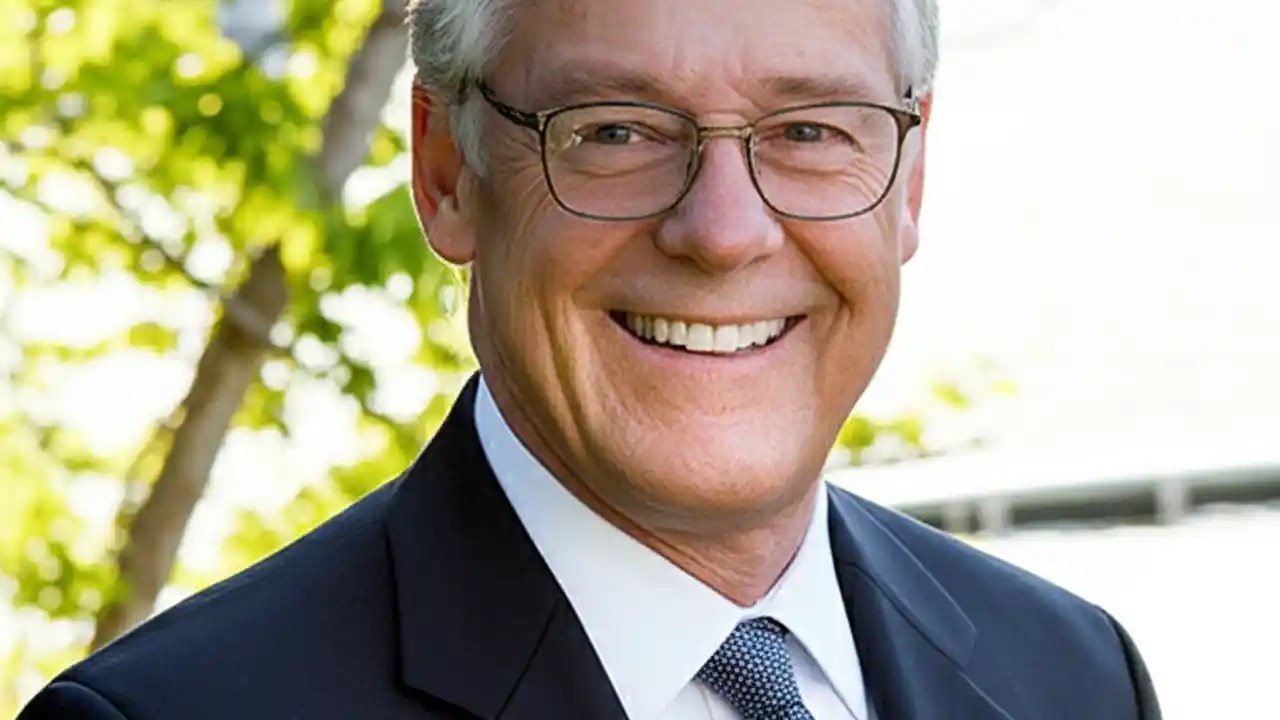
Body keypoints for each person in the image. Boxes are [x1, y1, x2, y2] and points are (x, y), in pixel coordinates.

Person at [20, 0, 1162, 717]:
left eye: (809, 130)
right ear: (446, 173)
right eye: (615, 130)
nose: (722, 233)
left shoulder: (1071, 677)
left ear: (908, 182)